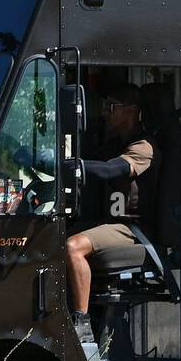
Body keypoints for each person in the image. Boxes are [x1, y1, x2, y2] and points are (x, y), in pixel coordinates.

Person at [18, 82, 157, 341]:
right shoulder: (111, 143)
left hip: (131, 229)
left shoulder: (143, 147)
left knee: (73, 246)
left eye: (111, 107)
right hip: (109, 224)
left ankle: (81, 325)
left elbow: (109, 170)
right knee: (49, 237)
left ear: (132, 111)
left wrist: (73, 166)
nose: (105, 112)